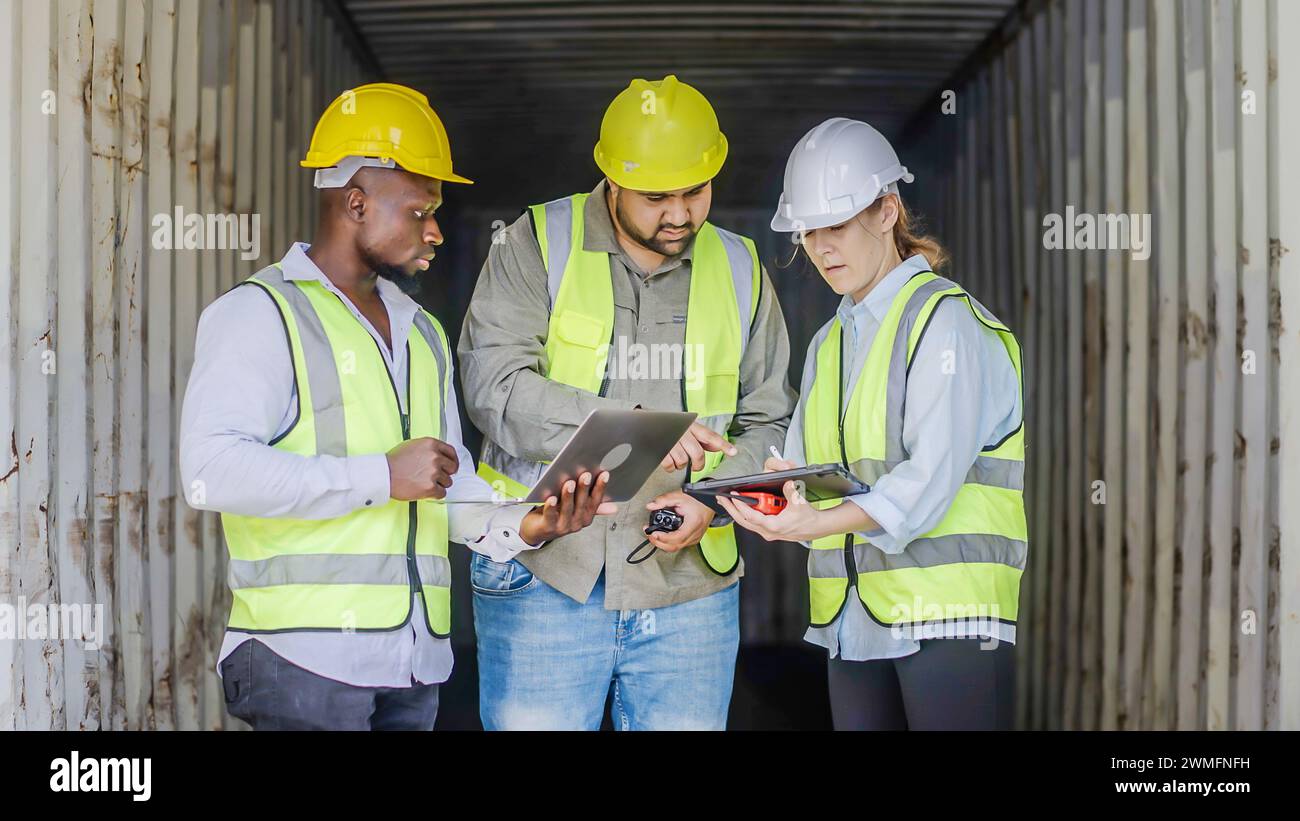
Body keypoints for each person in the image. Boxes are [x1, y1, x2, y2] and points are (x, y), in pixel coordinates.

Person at [179, 83, 612, 731]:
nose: (435, 229)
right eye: (418, 210)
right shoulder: (260, 315)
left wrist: (526, 526)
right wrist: (380, 476)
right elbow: (210, 470)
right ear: (356, 202)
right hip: (305, 661)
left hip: (410, 665)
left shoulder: (422, 333)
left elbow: (446, 484)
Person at [457, 75, 796, 730]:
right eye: (655, 196)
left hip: (687, 592)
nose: (678, 213)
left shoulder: (741, 266)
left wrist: (710, 499)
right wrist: (628, 429)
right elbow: (491, 384)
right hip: (543, 576)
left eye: (694, 191)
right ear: (610, 180)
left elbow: (770, 415)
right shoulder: (533, 243)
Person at [717, 117, 1025, 730]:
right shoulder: (830, 341)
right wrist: (772, 489)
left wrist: (815, 518)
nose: (819, 248)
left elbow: (928, 481)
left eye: (834, 226)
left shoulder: (946, 324)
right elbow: (811, 472)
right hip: (852, 620)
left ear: (887, 212)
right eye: (807, 232)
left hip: (948, 617)